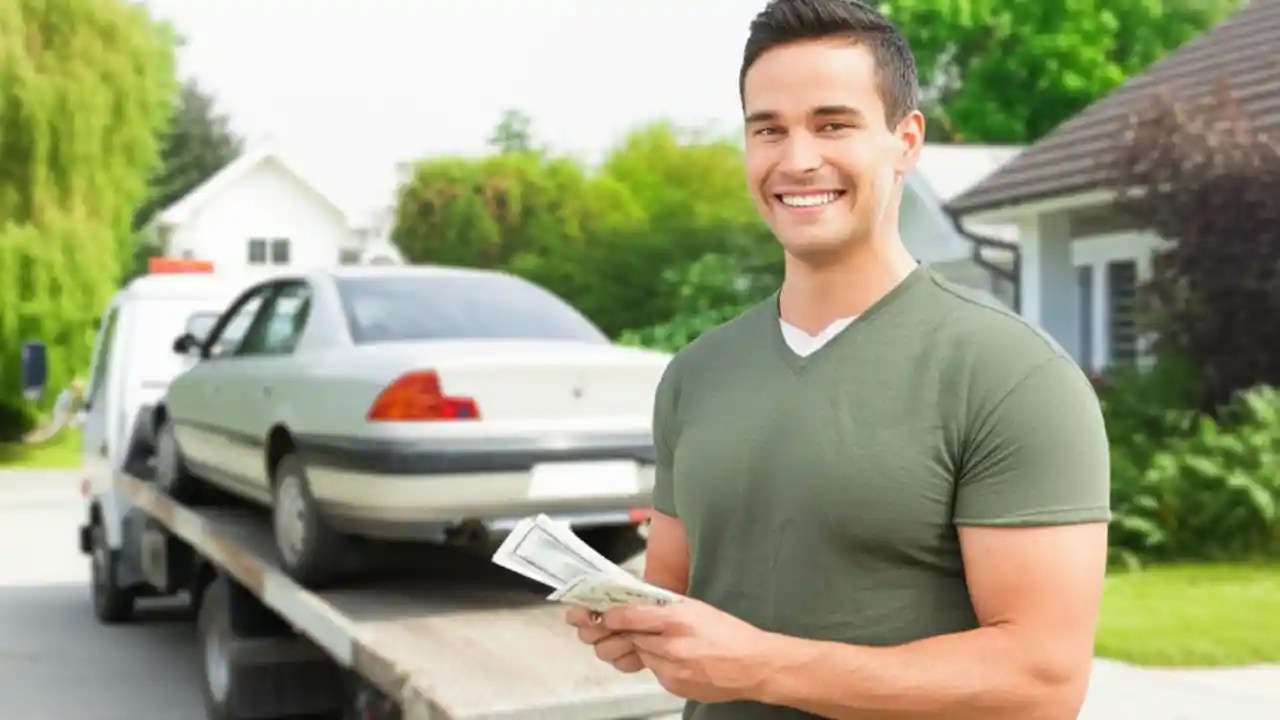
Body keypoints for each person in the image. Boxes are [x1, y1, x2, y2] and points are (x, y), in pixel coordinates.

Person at [566, 0, 1112, 718]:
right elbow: (683, 597)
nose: (796, 160)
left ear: (906, 140)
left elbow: (1041, 682)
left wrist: (760, 666)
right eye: (769, 130)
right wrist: (631, 622)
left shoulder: (1013, 378)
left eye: (832, 124)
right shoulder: (695, 376)